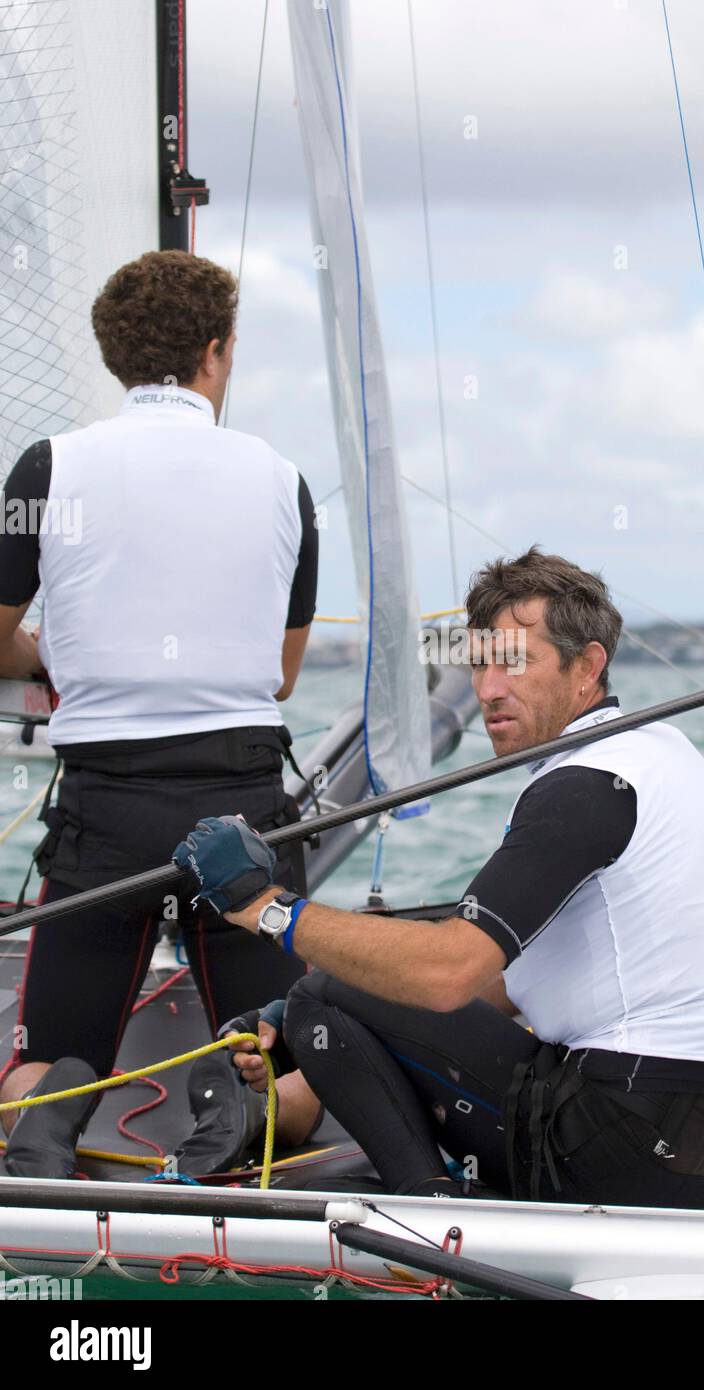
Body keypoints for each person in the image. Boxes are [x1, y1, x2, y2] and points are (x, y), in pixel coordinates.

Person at [174, 548, 704, 1207]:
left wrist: (263, 906)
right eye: (479, 664)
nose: (486, 690)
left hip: (622, 1149)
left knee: (321, 997)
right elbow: (504, 980)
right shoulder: (659, 753)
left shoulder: (579, 789)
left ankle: (430, 1215)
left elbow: (448, 975)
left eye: (513, 662)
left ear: (587, 666)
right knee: (332, 995)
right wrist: (342, 1006)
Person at [0, 250, 322, 1179]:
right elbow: (283, 675)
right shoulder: (283, 482)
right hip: (241, 815)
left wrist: (54, 654)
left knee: (41, 1068)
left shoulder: (45, 468)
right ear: (217, 353)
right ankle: (239, 1097)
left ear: (115, 359)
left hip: (106, 816)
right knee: (297, 1069)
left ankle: (56, 1110)